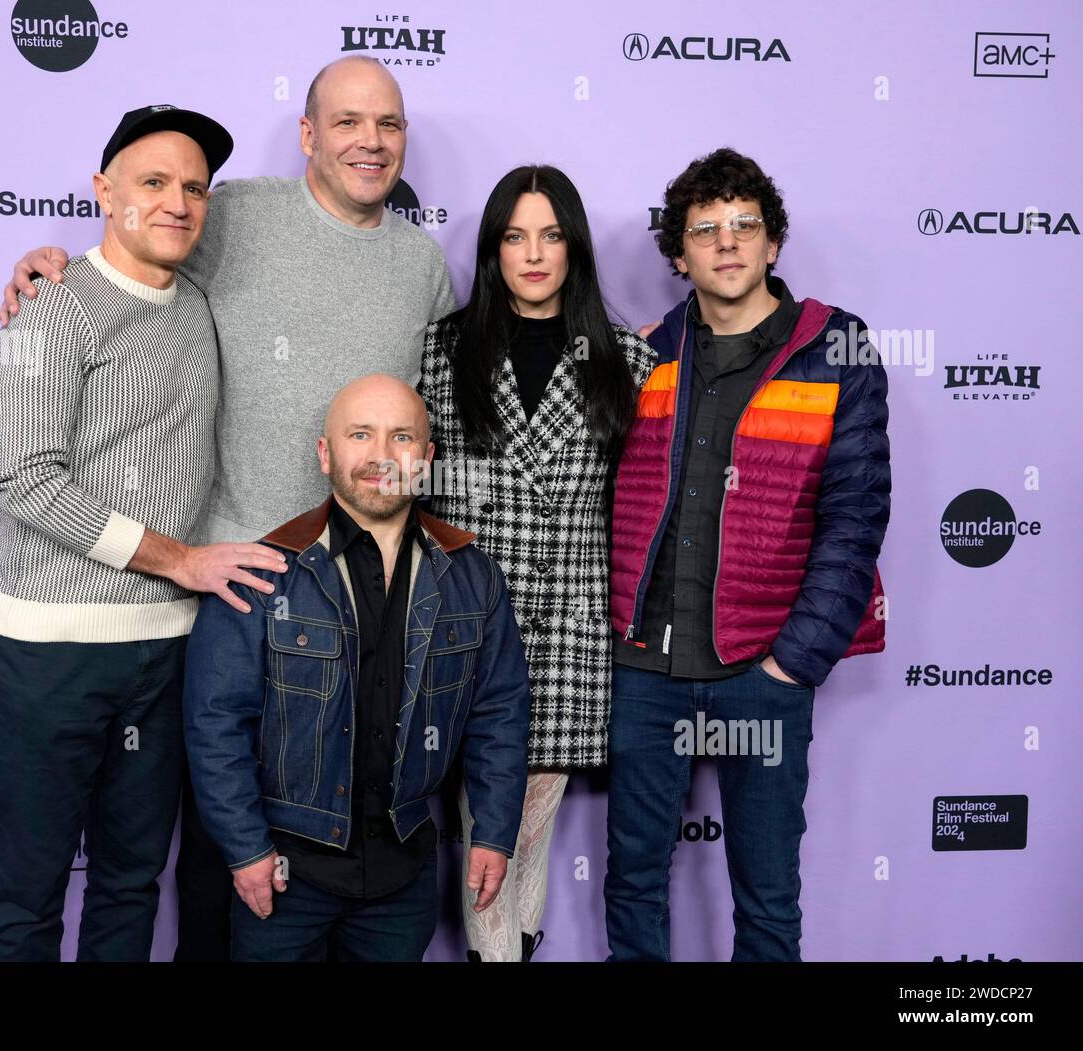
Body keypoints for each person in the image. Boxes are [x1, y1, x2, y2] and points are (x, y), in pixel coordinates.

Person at [0, 57, 458, 960]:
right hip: (227, 596)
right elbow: (128, 252)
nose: (371, 141)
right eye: (349, 121)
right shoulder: (229, 212)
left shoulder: (420, 263)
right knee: (207, 861)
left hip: (353, 603)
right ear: (308, 135)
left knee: (159, 871)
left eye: (390, 124)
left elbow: (439, 406)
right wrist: (45, 263)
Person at [0, 105, 289, 961]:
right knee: (26, 891)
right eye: (154, 183)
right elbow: (24, 478)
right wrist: (181, 559)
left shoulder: (197, 304)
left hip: (166, 652)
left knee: (130, 883)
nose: (178, 203)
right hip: (53, 652)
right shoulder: (47, 307)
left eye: (195, 188)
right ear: (104, 191)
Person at [605, 147, 891, 961]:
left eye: (745, 226)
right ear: (678, 254)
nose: (727, 243)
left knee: (767, 903)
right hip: (645, 672)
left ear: (772, 243)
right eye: (705, 229)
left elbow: (857, 514)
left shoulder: (837, 347)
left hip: (762, 672)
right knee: (632, 884)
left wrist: (793, 663)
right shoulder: (646, 353)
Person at [182, 374, 531, 961]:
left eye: (401, 437)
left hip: (404, 877)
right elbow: (216, 723)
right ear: (325, 453)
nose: (380, 456)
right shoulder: (262, 573)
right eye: (359, 435)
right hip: (284, 871)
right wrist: (246, 852)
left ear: (427, 458)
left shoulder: (473, 577)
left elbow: (500, 713)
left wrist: (494, 833)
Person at [418, 166, 655, 961]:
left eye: (551, 234)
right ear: (492, 249)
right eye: (515, 236)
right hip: (466, 633)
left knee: (526, 824)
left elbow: (648, 507)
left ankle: (506, 951)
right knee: (493, 825)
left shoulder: (626, 358)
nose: (533, 253)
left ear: (575, 247)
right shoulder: (445, 349)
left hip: (567, 639)